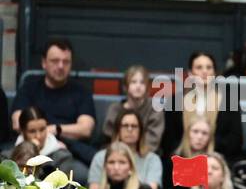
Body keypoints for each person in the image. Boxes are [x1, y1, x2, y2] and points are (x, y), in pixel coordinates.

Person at [11, 37, 95, 179]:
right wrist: (44, 134)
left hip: (68, 150)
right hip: (28, 149)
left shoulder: (81, 91)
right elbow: (17, 122)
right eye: (55, 61)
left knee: (80, 175)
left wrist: (55, 130)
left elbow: (86, 128)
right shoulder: (29, 87)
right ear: (44, 63)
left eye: (66, 61)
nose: (61, 66)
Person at [89, 109, 161, 189]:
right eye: (125, 125)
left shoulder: (152, 160)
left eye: (134, 126)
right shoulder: (100, 157)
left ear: (140, 131)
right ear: (117, 130)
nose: (130, 129)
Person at [103, 65, 163, 161]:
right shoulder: (115, 109)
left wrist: (134, 155)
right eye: (133, 82)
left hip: (145, 156)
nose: (138, 86)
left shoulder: (155, 108)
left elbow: (153, 140)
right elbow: (109, 135)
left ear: (147, 86)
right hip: (117, 156)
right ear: (126, 86)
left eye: (142, 82)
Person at [16, 107, 78, 177]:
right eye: (32, 131)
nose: (38, 136)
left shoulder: (62, 157)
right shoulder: (8, 155)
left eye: (42, 129)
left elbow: (65, 186)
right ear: (23, 132)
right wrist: (29, 150)